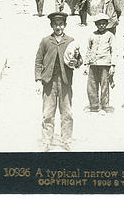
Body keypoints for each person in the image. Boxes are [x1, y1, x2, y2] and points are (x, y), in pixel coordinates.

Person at [34, 12, 83, 151]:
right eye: (55, 24)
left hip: (65, 82)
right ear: (51, 25)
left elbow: (79, 60)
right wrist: (38, 79)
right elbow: (38, 61)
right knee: (48, 114)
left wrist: (77, 62)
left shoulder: (71, 41)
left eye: (61, 24)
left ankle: (66, 140)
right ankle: (46, 141)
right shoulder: (45, 41)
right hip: (49, 82)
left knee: (66, 113)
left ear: (65, 25)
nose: (58, 27)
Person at [86, 13, 116, 114]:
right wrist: (86, 64)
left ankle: (104, 106)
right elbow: (88, 49)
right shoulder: (92, 35)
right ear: (96, 24)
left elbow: (114, 50)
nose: (101, 26)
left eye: (104, 23)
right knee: (92, 85)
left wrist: (113, 65)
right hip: (93, 64)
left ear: (107, 24)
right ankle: (94, 105)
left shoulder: (110, 35)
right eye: (99, 24)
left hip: (105, 64)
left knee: (104, 85)